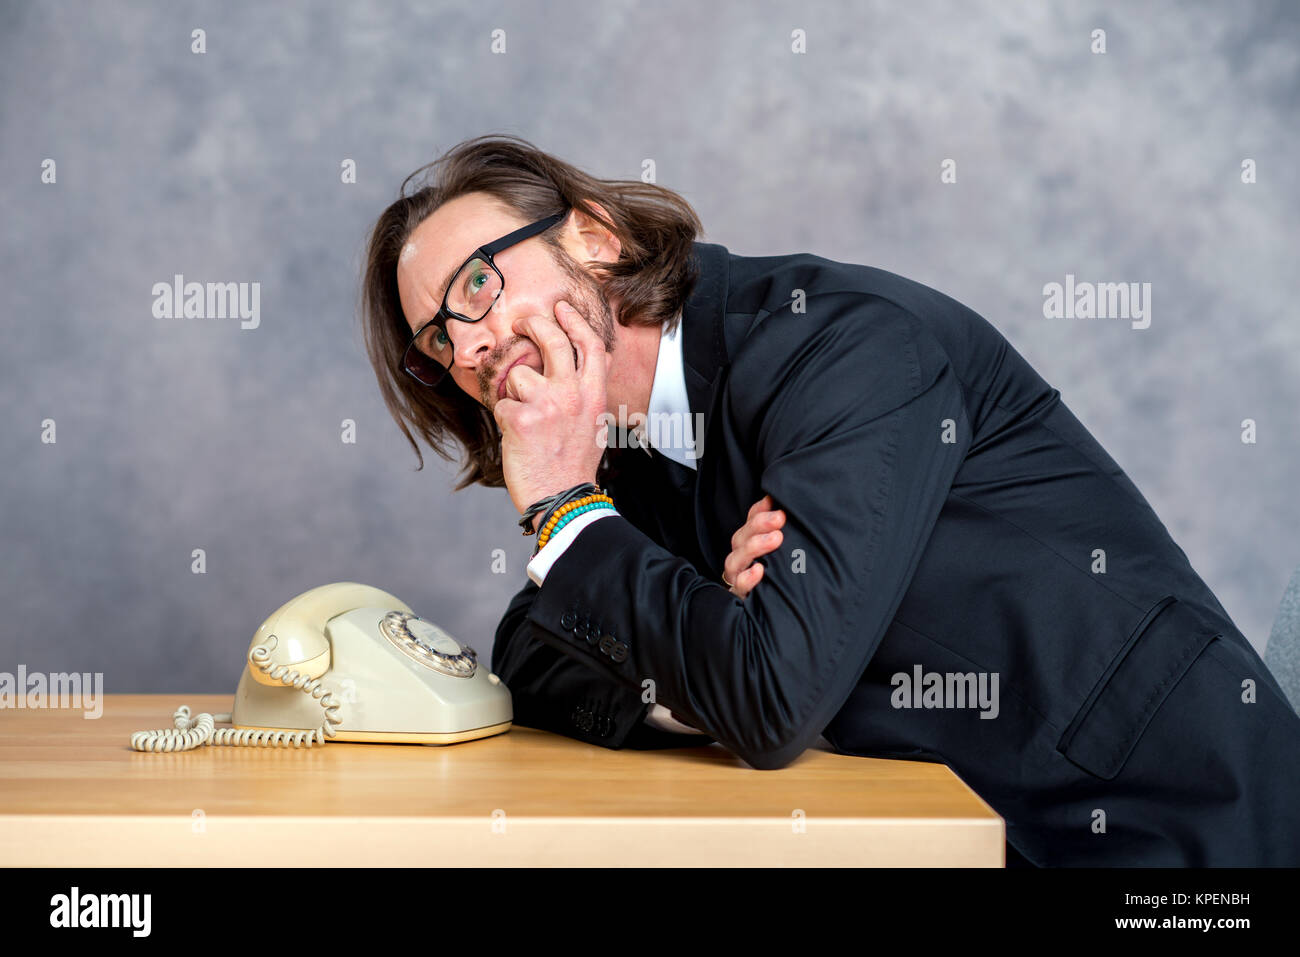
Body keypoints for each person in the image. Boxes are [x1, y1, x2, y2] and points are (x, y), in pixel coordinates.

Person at [359, 134, 1300, 866]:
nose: (470, 347)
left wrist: (565, 507)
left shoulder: (846, 347)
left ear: (596, 238)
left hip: (1182, 834)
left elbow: (769, 704)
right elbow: (529, 662)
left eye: (480, 282)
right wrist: (699, 666)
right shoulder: (627, 449)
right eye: (437, 341)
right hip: (960, 834)